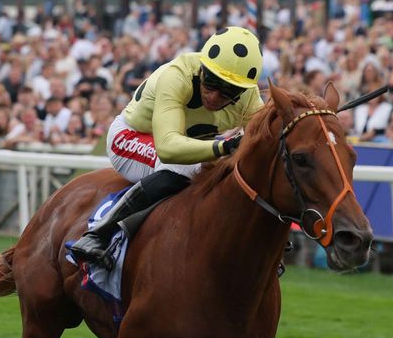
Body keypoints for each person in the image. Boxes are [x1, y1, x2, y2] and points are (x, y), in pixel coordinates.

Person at [69, 26, 264, 268]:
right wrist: (224, 147)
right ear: (202, 69)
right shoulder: (177, 75)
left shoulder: (249, 98)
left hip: (187, 144)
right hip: (131, 137)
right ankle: (99, 234)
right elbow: (168, 148)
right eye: (211, 82)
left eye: (229, 91)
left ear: (244, 90)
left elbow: (261, 146)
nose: (214, 96)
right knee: (185, 167)